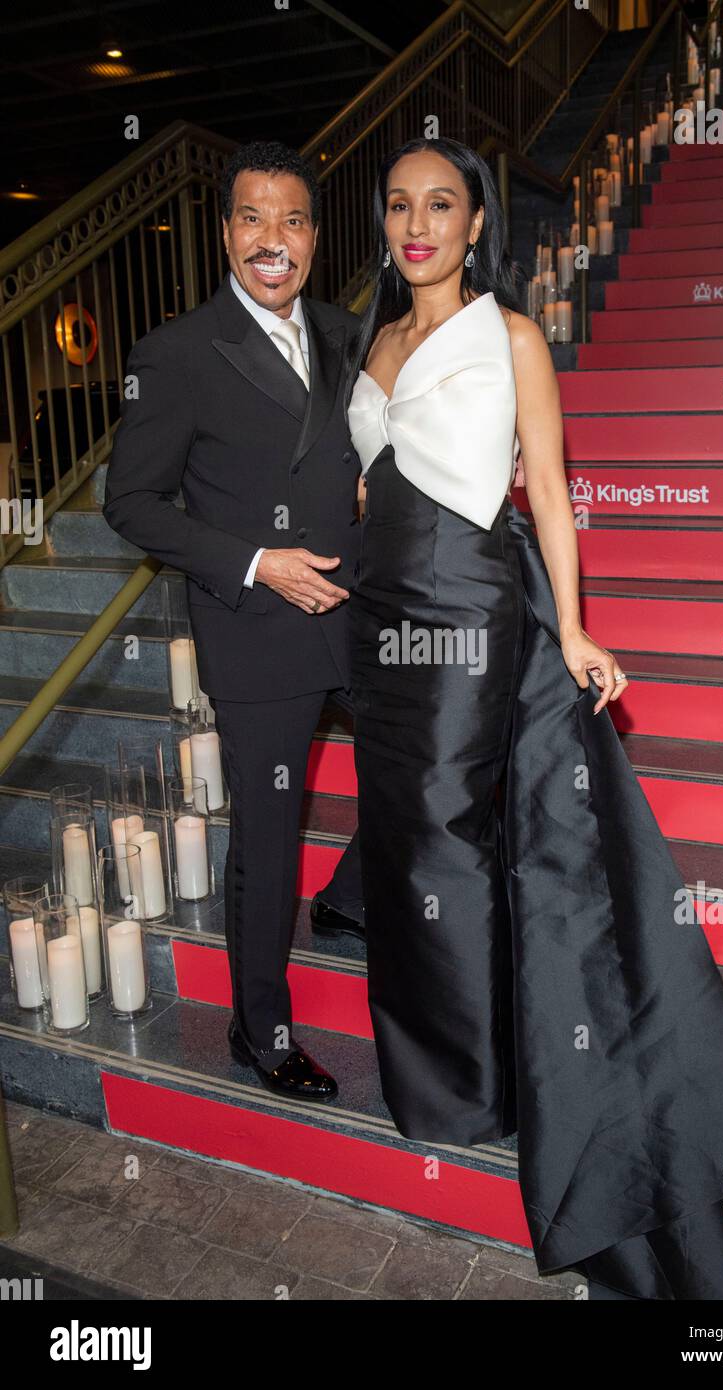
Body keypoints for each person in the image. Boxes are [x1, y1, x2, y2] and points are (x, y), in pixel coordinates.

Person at [345, 136, 723, 1299]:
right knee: (401, 837)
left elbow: (551, 488)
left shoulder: (510, 336)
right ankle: (428, 1076)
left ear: (477, 224)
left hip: (471, 602)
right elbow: (373, 481)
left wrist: (571, 628)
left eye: (440, 205)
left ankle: (484, 1076)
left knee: (447, 830)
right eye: (397, 206)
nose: (417, 224)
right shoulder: (371, 340)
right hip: (382, 622)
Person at [103, 141, 364, 1103]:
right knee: (269, 836)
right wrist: (256, 562)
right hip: (259, 630)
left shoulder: (346, 331)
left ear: (313, 237)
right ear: (224, 232)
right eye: (253, 217)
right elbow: (129, 501)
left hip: (362, 614)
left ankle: (352, 900)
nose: (273, 239)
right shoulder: (176, 352)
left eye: (293, 219)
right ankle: (262, 1031)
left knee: (436, 773)